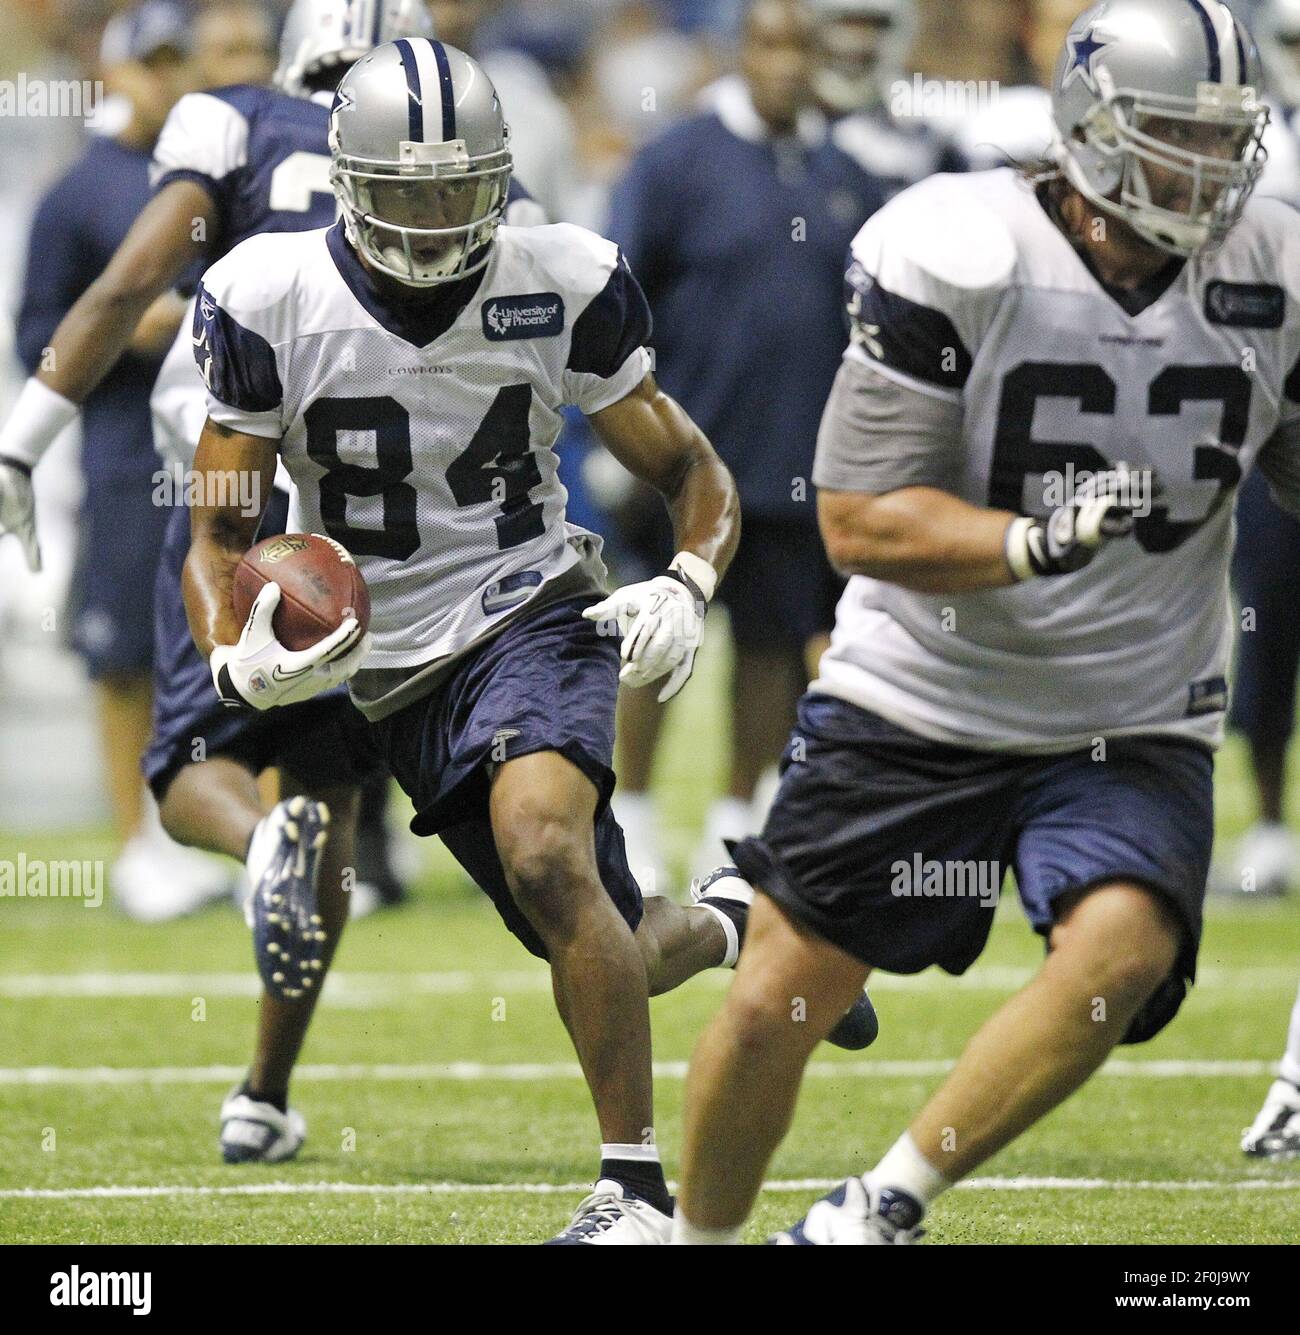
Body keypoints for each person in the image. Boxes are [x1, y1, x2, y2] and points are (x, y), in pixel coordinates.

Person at [180, 37, 873, 1243]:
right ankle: (736, 921)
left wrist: (690, 578)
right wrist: (231, 648)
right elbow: (215, 534)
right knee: (606, 932)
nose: (440, 218)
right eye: (411, 193)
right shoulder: (264, 295)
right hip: (383, 666)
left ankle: (634, 1194)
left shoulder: (563, 275)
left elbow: (688, 469)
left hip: (530, 609)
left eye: (463, 188)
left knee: (547, 850)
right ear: (347, 178)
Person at [672, 0, 1294, 1244]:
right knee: (775, 1004)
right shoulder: (961, 247)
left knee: (1120, 951)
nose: (1209, 171)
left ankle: (880, 1207)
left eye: (1228, 139)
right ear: (1092, 131)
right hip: (922, 692)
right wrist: (1027, 541)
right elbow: (856, 518)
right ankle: (697, 1239)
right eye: (1176, 137)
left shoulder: (1273, 260)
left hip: (1129, 707)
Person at [0, 0, 444, 1166]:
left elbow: (118, 290)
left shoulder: (233, 124)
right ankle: (263, 1090)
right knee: (329, 798)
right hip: (383, 526)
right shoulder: (450, 163)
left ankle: (256, 854)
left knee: (199, 768)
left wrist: (19, 438)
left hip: (238, 498)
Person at [605, 0, 886, 885]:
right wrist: (611, 440)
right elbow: (614, 299)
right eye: (770, 44)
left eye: (802, 46)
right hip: (683, 464)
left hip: (796, 464)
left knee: (771, 655)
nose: (787, 63)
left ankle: (738, 820)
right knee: (654, 640)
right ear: (740, 51)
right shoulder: (674, 162)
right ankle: (630, 817)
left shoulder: (845, 170)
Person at [14, 0, 234, 921]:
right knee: (124, 656)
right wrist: (135, 332)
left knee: (216, 645)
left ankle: (196, 826)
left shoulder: (219, 175)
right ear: (115, 72)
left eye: (181, 61)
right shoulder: (81, 189)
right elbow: (40, 337)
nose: (169, 77)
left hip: (220, 453)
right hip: (122, 453)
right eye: (154, 63)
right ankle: (135, 844)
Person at [809, 0, 967, 200]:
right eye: (846, 23)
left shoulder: (926, 125)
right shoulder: (776, 121)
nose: (857, 42)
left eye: (873, 24)